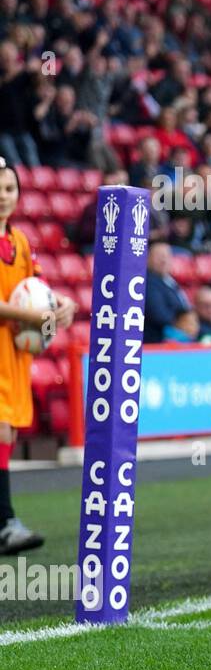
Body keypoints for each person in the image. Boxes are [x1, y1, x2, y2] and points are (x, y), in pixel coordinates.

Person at [0, 159, 75, 554]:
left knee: (7, 433)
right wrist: (36, 316)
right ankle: (5, 522)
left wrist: (62, 304)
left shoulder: (21, 242)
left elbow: (39, 283)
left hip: (12, 354)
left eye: (9, 189)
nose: (2, 196)